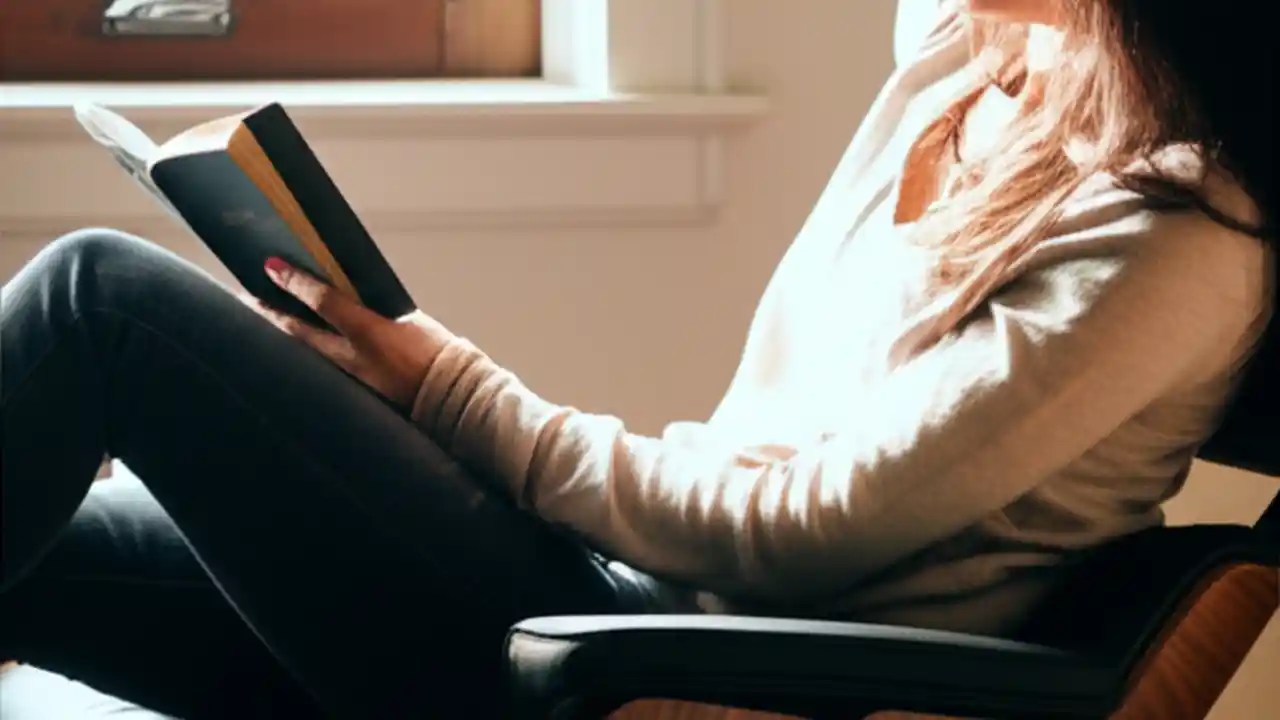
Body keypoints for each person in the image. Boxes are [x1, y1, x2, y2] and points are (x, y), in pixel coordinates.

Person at [2, 0, 1275, 717]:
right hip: (603, 587)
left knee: (93, 300)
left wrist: (445, 387)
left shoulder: (1168, 241)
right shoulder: (969, 58)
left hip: (679, 666)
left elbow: (804, 529)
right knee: (42, 542)